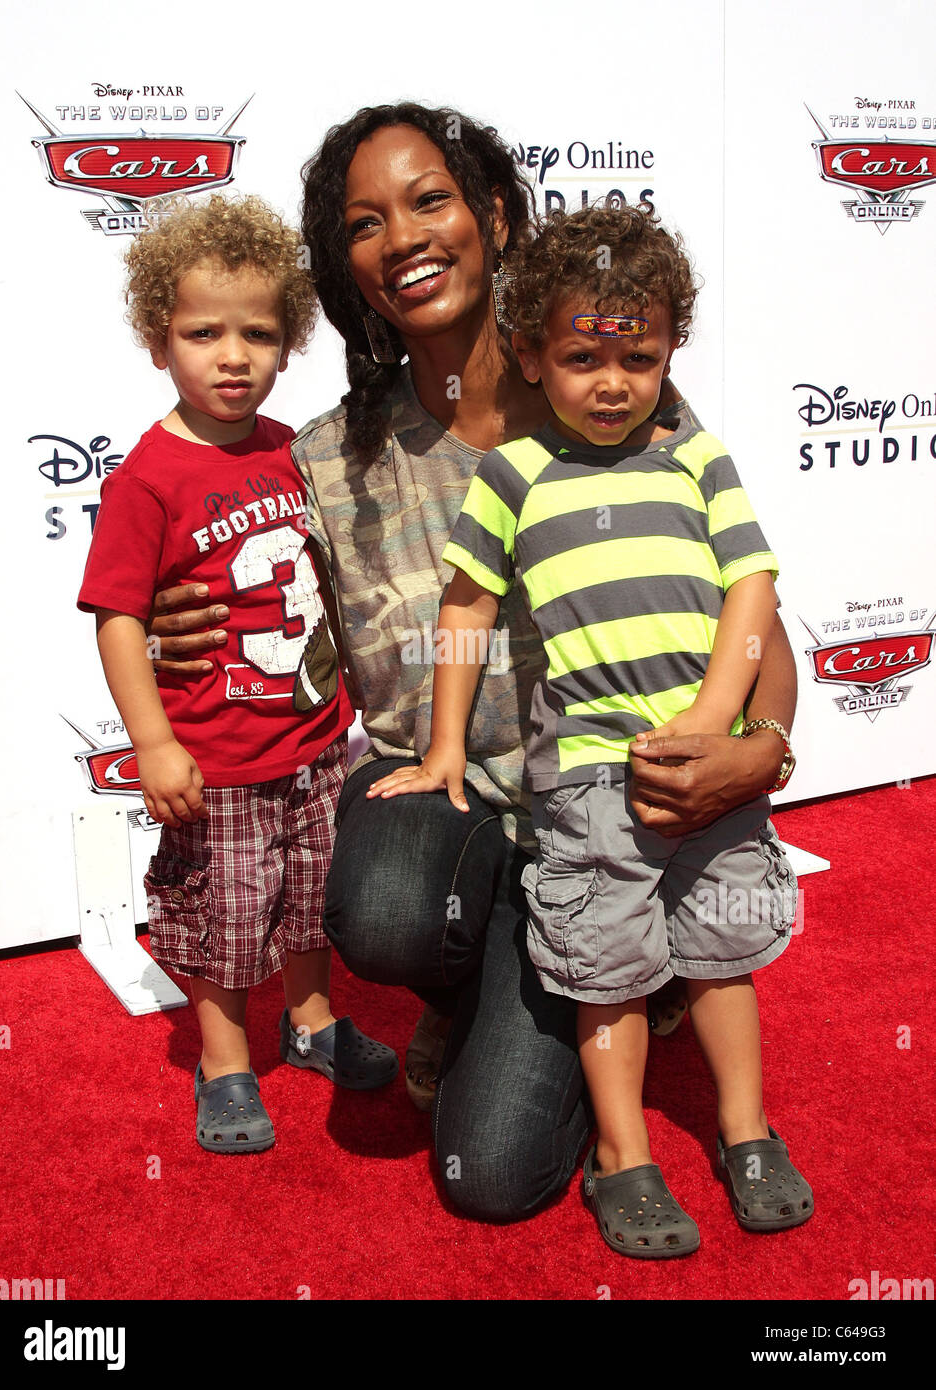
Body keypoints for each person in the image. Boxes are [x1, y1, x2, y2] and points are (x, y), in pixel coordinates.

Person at [147, 105, 799, 1220]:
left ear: (493, 214)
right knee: (389, 902)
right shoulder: (322, 459)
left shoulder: (609, 397)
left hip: (602, 813)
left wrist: (762, 749)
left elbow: (754, 618)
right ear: (343, 266)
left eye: (429, 199)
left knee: (490, 1181)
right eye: (363, 221)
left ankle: (628, 977)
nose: (401, 234)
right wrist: (171, 610)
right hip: (446, 810)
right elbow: (220, 562)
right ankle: (480, 974)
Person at [369, 205, 812, 1255]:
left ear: (668, 353)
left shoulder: (697, 456)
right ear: (530, 352)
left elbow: (752, 590)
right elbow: (465, 610)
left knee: (721, 955)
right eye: (579, 357)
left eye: (638, 356)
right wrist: (440, 748)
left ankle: (745, 1131)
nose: (611, 381)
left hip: (715, 773)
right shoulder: (511, 476)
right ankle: (626, 1151)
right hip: (586, 781)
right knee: (605, 967)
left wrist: (720, 725)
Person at [77, 195, 397, 1156]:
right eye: (202, 331)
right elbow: (120, 620)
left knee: (307, 902)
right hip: (216, 760)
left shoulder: (288, 450)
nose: (231, 355)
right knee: (222, 919)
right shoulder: (147, 478)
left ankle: (311, 1026)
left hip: (312, 744)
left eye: (257, 333)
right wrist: (155, 741)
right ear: (156, 339)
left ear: (289, 341)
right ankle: (224, 1063)